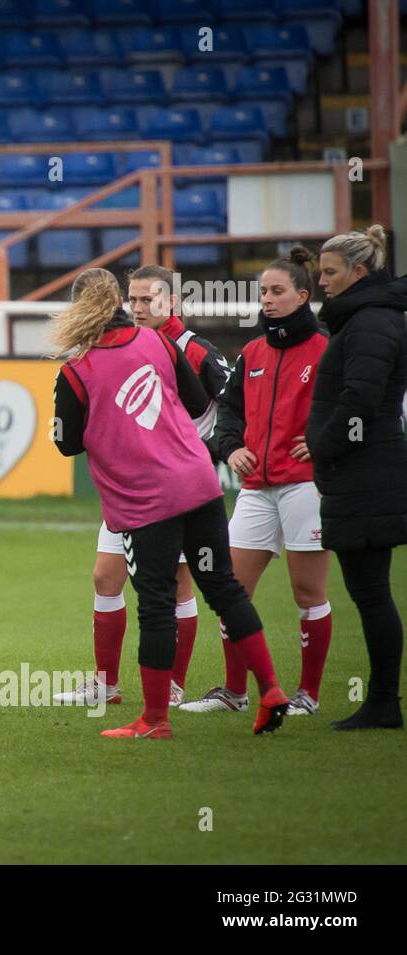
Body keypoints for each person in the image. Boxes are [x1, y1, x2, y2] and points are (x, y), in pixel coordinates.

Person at [52, 268, 290, 739]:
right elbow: (198, 398)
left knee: (156, 603)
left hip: (146, 500)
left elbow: (66, 444)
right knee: (223, 588)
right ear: (121, 302)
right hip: (199, 485)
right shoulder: (159, 343)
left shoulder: (76, 370)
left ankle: (155, 720)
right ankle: (271, 690)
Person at [54, 265, 230, 708]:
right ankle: (105, 685)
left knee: (178, 585)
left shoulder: (191, 350)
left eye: (147, 300)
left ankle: (171, 686)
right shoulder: (121, 346)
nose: (138, 308)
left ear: (171, 301)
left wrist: (210, 448)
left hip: (180, 486)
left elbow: (227, 407)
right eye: (132, 300)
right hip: (127, 489)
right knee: (104, 577)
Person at [182, 248, 332, 717]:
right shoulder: (252, 352)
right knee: (230, 589)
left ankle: (308, 695)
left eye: (277, 291)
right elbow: (228, 411)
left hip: (306, 484)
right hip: (255, 488)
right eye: (263, 292)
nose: (267, 300)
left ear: (303, 295)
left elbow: (356, 403)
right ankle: (234, 692)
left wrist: (325, 442)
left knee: (308, 593)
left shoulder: (327, 348)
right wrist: (230, 449)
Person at [306, 225, 407, 730]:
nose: (321, 281)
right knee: (371, 592)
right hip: (364, 473)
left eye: (329, 272)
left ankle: (385, 703)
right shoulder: (367, 318)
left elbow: (360, 402)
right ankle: (383, 701)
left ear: (358, 272)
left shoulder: (369, 322)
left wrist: (322, 450)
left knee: (371, 593)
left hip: (366, 474)